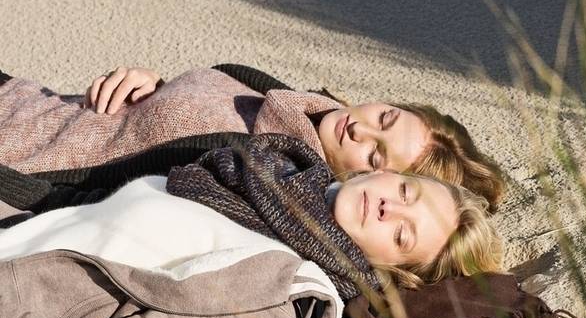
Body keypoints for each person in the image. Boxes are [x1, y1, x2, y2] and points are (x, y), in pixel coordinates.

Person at [0, 134, 503, 318]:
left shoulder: (279, 295)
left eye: (402, 235)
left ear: (391, 269)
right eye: (408, 193)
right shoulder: (251, 172)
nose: (388, 208)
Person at [0, 64, 506, 211]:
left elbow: (92, 198)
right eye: (386, 118)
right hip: (26, 98)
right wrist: (150, 85)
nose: (364, 129)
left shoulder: (260, 175)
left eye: (375, 154)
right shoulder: (292, 99)